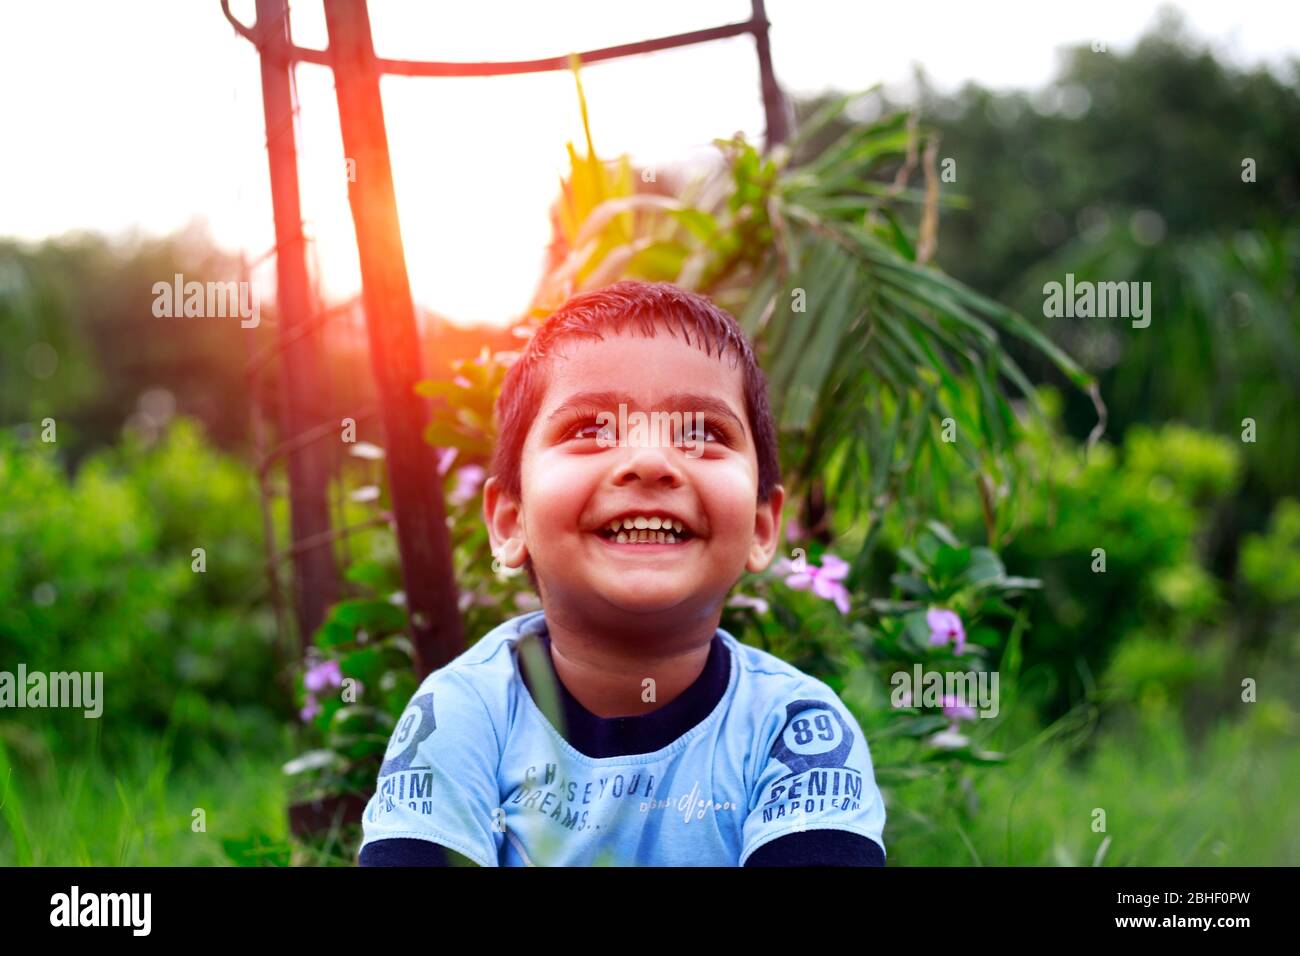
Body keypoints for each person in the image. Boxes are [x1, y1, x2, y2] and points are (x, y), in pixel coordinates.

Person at [358, 280, 886, 866]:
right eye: (591, 430)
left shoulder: (795, 733)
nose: (650, 462)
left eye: (702, 434)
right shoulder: (462, 716)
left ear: (763, 527)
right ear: (511, 521)